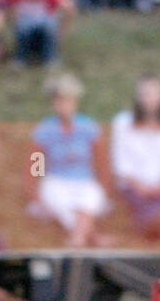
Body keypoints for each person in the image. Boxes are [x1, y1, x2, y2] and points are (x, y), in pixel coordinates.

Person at [27, 72, 111, 247]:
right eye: (59, 100)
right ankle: (91, 237)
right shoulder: (44, 130)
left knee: (89, 199)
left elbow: (101, 162)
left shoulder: (89, 128)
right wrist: (36, 196)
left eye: (68, 100)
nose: (64, 105)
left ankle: (77, 239)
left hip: (84, 179)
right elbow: (36, 167)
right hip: (56, 180)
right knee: (61, 204)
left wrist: (104, 188)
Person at [110, 74, 160, 236]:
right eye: (145, 94)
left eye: (154, 93)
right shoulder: (122, 123)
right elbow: (120, 162)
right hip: (133, 183)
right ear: (138, 97)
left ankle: (153, 220)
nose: (149, 99)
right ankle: (153, 221)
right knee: (139, 199)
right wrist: (139, 185)